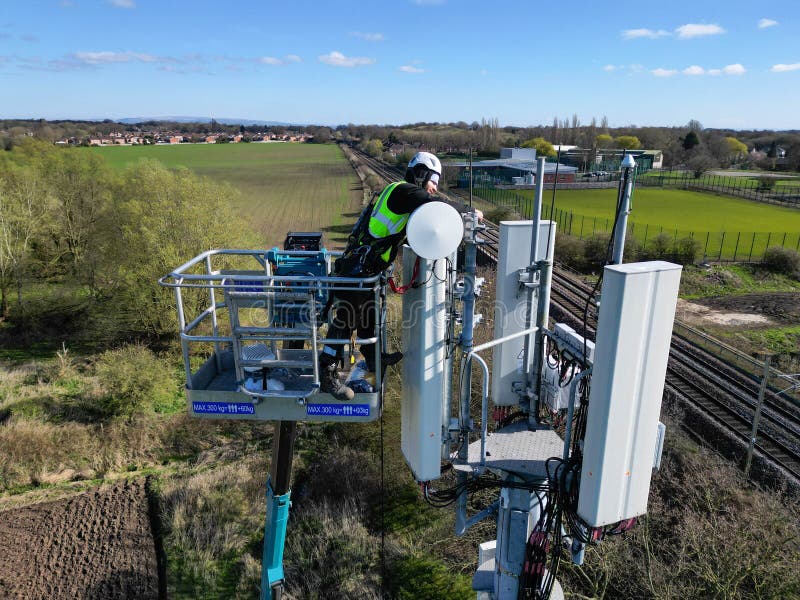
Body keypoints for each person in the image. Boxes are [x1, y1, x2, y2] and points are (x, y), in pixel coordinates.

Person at [319, 151, 481, 400]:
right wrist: (471, 211)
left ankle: (374, 360)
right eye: (433, 181)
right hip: (360, 267)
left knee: (367, 316)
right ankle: (326, 374)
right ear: (421, 173)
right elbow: (436, 206)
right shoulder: (404, 191)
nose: (434, 188)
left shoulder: (399, 192)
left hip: (364, 266)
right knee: (347, 319)